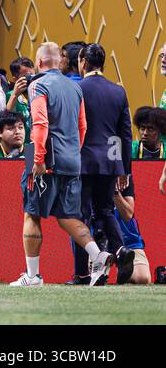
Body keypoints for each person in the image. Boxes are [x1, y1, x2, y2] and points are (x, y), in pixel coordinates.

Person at [11, 41, 112, 288]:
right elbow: (82, 127)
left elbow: (40, 124)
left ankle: (33, 276)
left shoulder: (38, 85)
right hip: (71, 162)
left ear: (39, 63)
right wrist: (71, 154)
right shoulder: (74, 86)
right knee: (68, 217)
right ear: (59, 61)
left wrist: (37, 160)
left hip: (46, 162)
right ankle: (98, 255)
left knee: (32, 214)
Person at [76, 42, 131, 282]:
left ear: (84, 62)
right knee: (106, 210)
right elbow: (125, 134)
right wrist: (124, 169)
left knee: (79, 216)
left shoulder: (77, 88)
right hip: (110, 161)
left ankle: (82, 273)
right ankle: (122, 250)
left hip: (84, 160)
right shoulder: (118, 91)